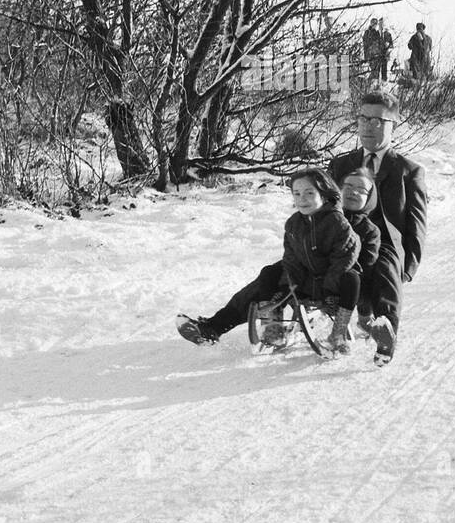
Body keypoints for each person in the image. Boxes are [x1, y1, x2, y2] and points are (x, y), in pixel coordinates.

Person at [176, 167, 361, 355]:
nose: (302, 199)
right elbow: (291, 260)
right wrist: (285, 287)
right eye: (296, 193)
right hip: (303, 281)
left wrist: (329, 290)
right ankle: (219, 327)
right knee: (267, 276)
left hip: (332, 287)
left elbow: (343, 260)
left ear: (324, 194)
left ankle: (337, 335)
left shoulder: (338, 223)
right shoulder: (293, 224)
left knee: (351, 277)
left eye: (309, 193)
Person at [328, 89, 428, 366]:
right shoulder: (341, 164)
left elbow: (416, 223)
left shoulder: (408, 171)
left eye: (378, 122)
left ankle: (385, 333)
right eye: (364, 119)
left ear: (393, 125)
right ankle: (271, 314)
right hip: (343, 241)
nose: (368, 127)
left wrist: (408, 267)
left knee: (385, 273)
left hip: (384, 245)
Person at [339, 167, 385, 329]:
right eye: (349, 187)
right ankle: (272, 320)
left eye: (361, 190)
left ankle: (364, 317)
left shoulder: (369, 230)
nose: (353, 192)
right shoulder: (326, 217)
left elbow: (368, 262)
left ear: (369, 199)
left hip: (351, 277)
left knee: (366, 282)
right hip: (319, 272)